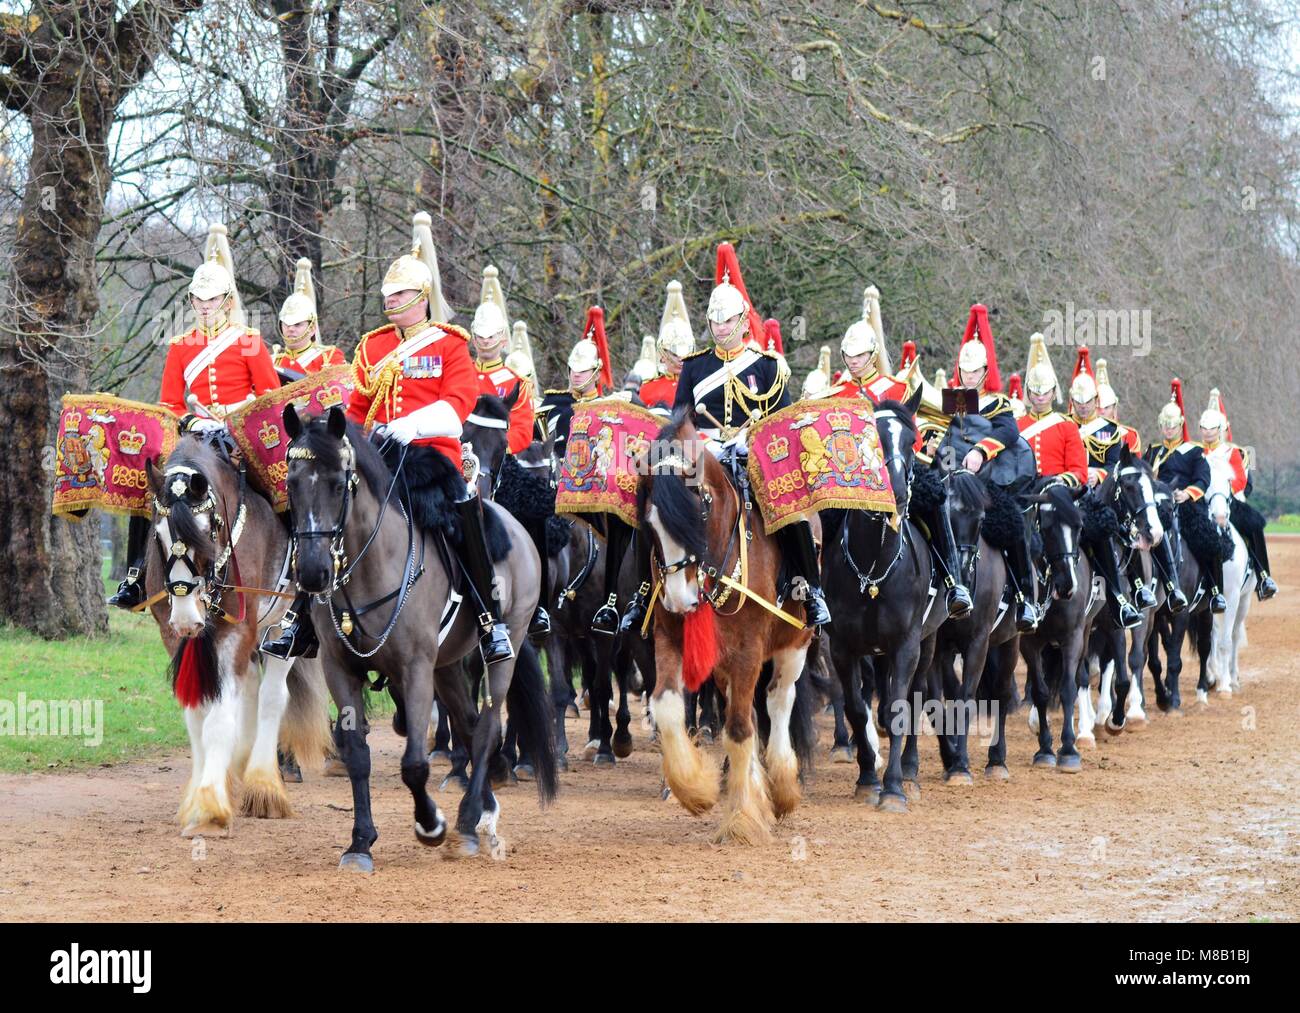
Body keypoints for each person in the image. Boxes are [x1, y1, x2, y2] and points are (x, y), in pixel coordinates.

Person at [317, 211, 512, 664]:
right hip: (378, 457)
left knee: (463, 519)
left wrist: (413, 425)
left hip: (430, 457)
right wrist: (339, 435)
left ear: (423, 297)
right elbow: (358, 408)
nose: (392, 301)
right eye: (387, 295)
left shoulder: (448, 345)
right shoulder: (374, 346)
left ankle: (488, 620)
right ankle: (305, 621)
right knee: (323, 509)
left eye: (401, 293)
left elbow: (458, 406)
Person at [109, 223, 280, 610]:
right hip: (196, 438)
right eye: (198, 300)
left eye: (212, 299)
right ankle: (136, 574)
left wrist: (237, 413)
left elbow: (269, 398)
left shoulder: (249, 340)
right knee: (148, 486)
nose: (205, 306)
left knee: (281, 488)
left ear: (227, 299)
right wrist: (192, 420)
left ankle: (297, 575)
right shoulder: (181, 346)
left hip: (239, 438)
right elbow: (170, 403)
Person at [668, 242, 831, 628]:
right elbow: (679, 420)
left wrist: (751, 440)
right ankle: (645, 596)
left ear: (743, 321)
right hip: (705, 457)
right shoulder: (695, 367)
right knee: (664, 508)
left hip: (752, 454)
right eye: (715, 322)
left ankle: (809, 588)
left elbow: (785, 424)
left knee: (789, 510)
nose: (721, 329)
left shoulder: (768, 365)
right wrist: (700, 442)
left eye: (728, 322)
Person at [829, 285, 973, 619]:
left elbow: (923, 426)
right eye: (849, 357)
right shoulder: (834, 395)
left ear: (873, 353)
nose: (854, 363)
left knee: (935, 500)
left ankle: (954, 581)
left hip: (899, 471)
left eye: (861, 356)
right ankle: (814, 590)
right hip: (851, 479)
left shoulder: (897, 387)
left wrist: (921, 450)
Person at [928, 305, 1037, 630]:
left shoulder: (997, 401)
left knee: (1013, 525)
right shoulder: (950, 399)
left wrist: (981, 450)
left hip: (983, 483)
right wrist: (931, 444)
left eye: (975, 373)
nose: (969, 377)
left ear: (985, 371)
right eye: (965, 372)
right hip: (948, 479)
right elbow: (932, 428)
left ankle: (1024, 598)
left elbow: (1009, 431)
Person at [466, 265, 550, 640]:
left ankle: (540, 604)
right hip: (462, 460)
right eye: (480, 336)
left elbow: (522, 430)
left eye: (492, 336)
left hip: (501, 463)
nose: (486, 342)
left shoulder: (516, 382)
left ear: (504, 339)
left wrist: (495, 454)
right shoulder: (463, 374)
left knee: (537, 519)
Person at [1064, 347, 1144, 625]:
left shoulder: (1109, 430)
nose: (1083, 405)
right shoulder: (1062, 425)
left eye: (1088, 401)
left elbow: (1114, 466)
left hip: (1097, 496)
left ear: (1096, 400)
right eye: (1078, 401)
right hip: (1064, 492)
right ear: (1071, 401)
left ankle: (1120, 597)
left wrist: (1098, 474)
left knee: (1108, 531)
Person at [1145, 379, 1225, 613]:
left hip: (1186, 505)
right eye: (1165, 425)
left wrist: (1187, 494)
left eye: (1173, 425)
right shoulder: (1153, 452)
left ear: (1180, 425)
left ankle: (1215, 592)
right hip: (1157, 506)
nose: (1168, 429)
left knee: (1210, 540)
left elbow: (1203, 480)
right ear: (1161, 425)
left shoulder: (1194, 451)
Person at [1199, 389, 1276, 601]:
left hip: (1227, 502)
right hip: (1201, 502)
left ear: (1220, 430)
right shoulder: (1197, 452)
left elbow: (1241, 480)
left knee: (1254, 525)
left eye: (1212, 429)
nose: (1208, 433)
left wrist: (1221, 493)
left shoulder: (1232, 452)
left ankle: (1263, 576)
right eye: (1204, 428)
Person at [272, 258, 346, 377]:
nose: (290, 329)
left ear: (312, 329)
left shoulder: (330, 357)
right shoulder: (273, 361)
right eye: (286, 324)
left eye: (297, 324)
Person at [638, 280, 695, 415]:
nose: (680, 359)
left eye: (685, 354)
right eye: (675, 354)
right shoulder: (648, 389)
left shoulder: (700, 385)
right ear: (663, 355)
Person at [1096, 358, 1141, 453]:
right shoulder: (1081, 434)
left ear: (1114, 408)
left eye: (1106, 408)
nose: (1102, 412)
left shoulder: (1128, 436)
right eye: (1098, 408)